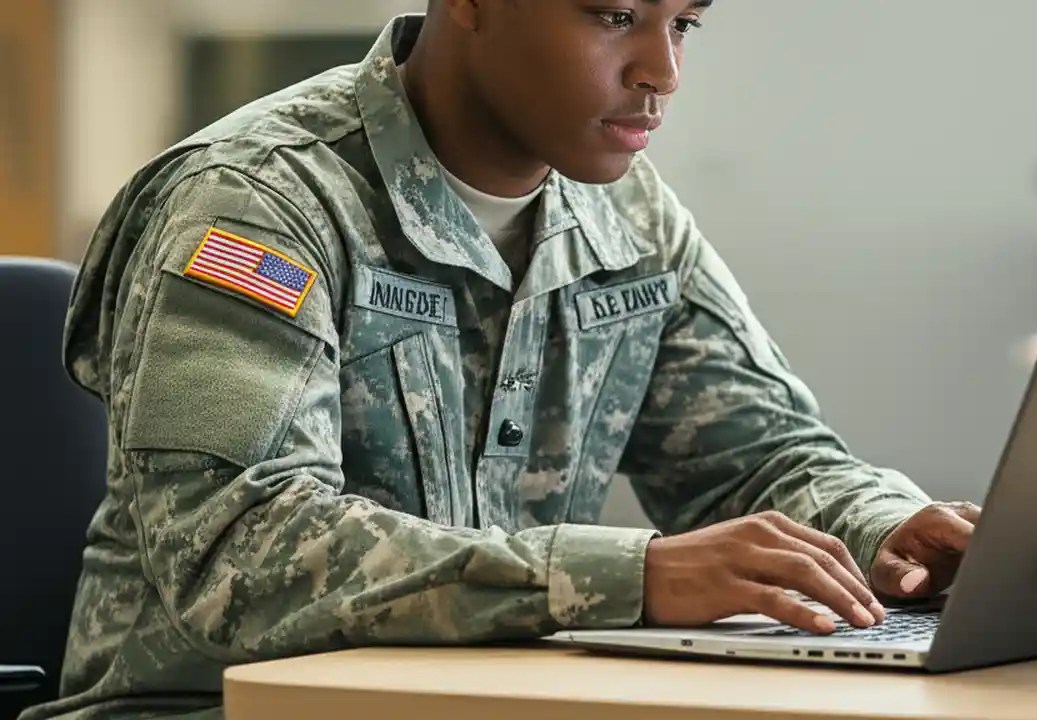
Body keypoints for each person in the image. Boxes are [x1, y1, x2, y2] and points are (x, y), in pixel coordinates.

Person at [26, 2, 980, 718]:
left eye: (683, 22)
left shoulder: (630, 218)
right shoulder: (256, 202)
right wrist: (631, 577)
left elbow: (758, 459)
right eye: (615, 15)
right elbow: (233, 549)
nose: (663, 71)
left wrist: (884, 533)